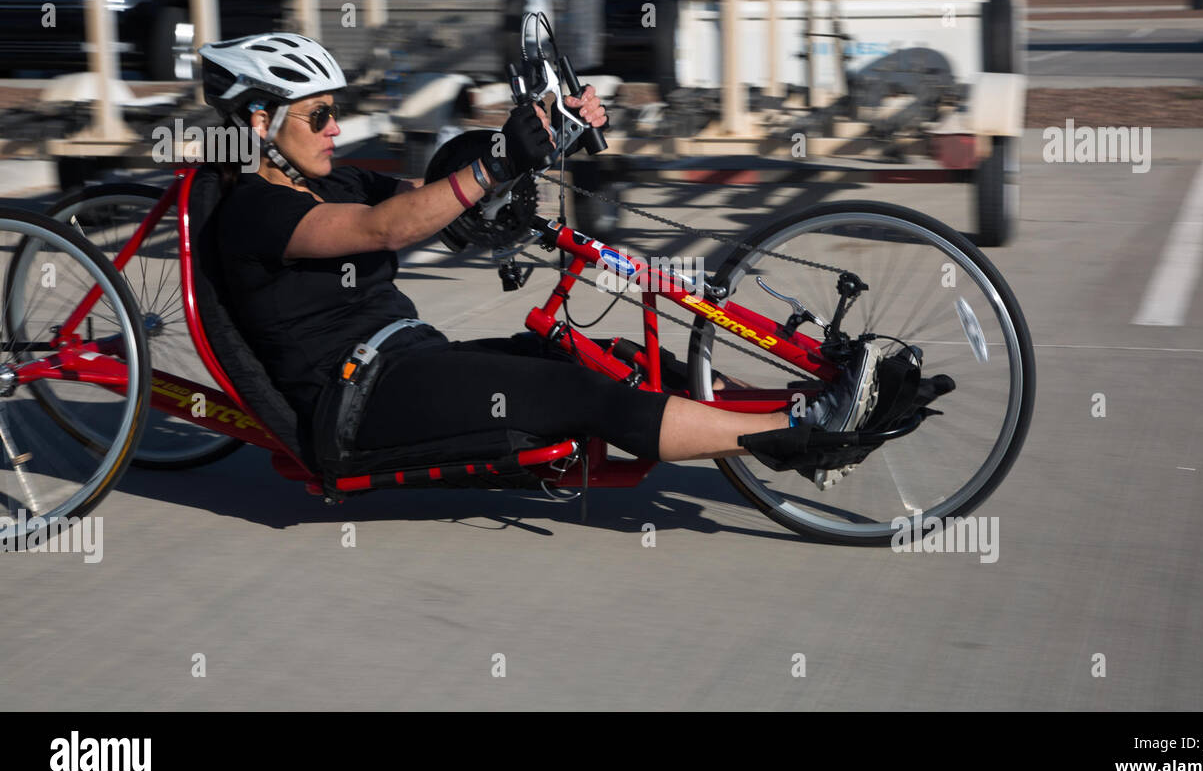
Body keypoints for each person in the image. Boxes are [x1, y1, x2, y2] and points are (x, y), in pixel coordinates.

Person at [198, 32, 877, 482]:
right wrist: (496, 164)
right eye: (317, 116)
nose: (337, 127)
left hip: (414, 359)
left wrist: (549, 135)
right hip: (359, 399)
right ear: (259, 122)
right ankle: (804, 431)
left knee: (612, 355)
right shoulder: (256, 211)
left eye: (335, 111)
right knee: (583, 395)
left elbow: (437, 200)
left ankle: (804, 405)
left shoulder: (329, 181)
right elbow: (384, 228)